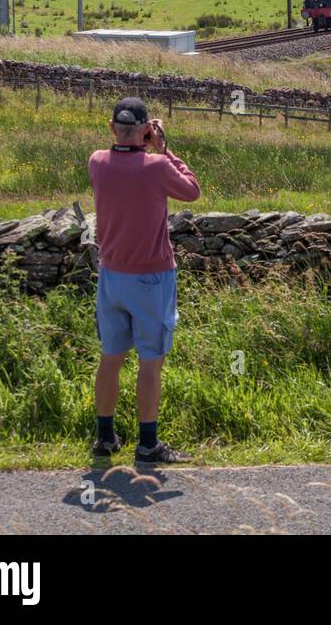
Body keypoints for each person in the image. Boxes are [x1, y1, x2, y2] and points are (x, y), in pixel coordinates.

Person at [88, 97, 201, 465]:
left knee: (111, 358)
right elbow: (191, 190)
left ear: (111, 127)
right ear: (145, 131)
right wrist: (164, 148)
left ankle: (105, 438)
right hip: (152, 275)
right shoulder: (155, 167)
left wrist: (142, 143)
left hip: (111, 274)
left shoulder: (97, 162)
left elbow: (119, 160)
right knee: (150, 361)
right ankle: (147, 444)